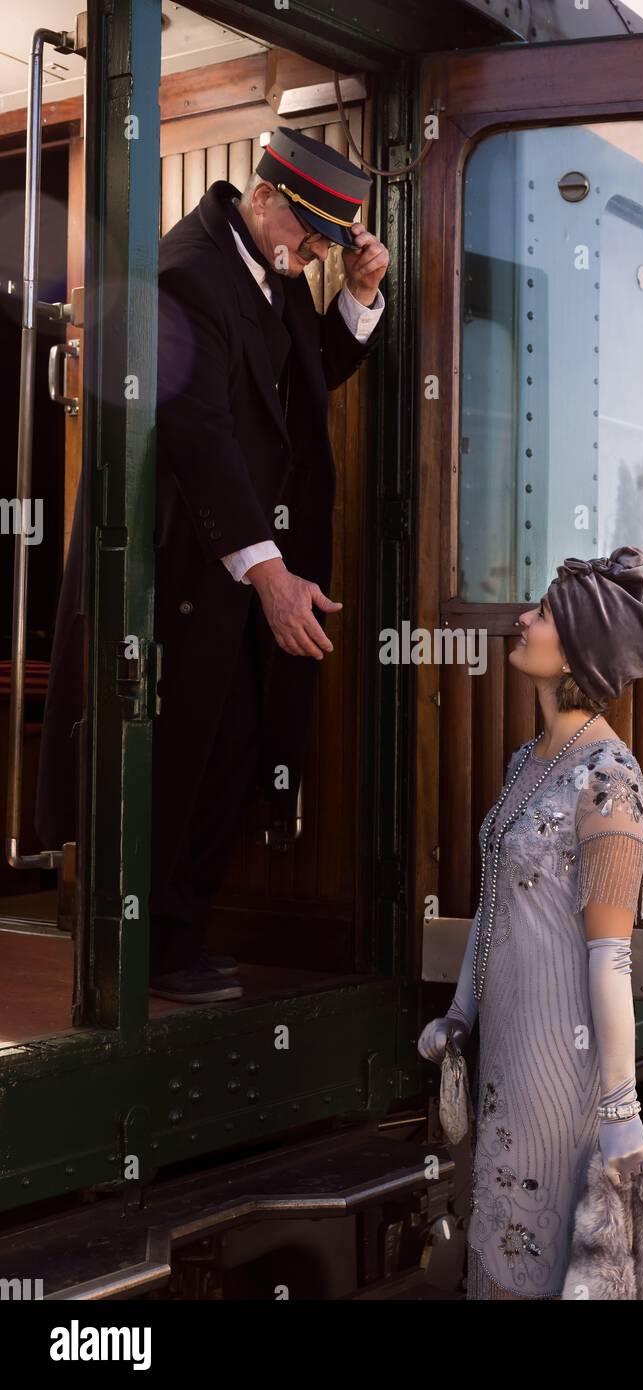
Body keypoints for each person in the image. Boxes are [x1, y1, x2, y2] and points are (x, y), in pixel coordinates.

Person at [34, 127, 388, 1004]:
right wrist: (268, 573)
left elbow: (304, 380)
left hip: (229, 559)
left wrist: (360, 295)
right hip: (173, 567)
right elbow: (199, 433)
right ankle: (145, 946)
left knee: (230, 746)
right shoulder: (187, 273)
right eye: (310, 239)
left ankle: (179, 935)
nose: (312, 256)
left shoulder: (273, 268)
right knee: (177, 753)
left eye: (323, 248)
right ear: (266, 198)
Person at [418, 546, 643, 1300]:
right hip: (505, 1057)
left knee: (550, 1262)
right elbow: (497, 906)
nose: (521, 620)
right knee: (500, 1244)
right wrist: (460, 1013)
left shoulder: (610, 779)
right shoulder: (525, 762)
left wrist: (622, 1111)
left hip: (564, 1064)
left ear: (578, 654)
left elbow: (611, 958)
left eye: (543, 614)